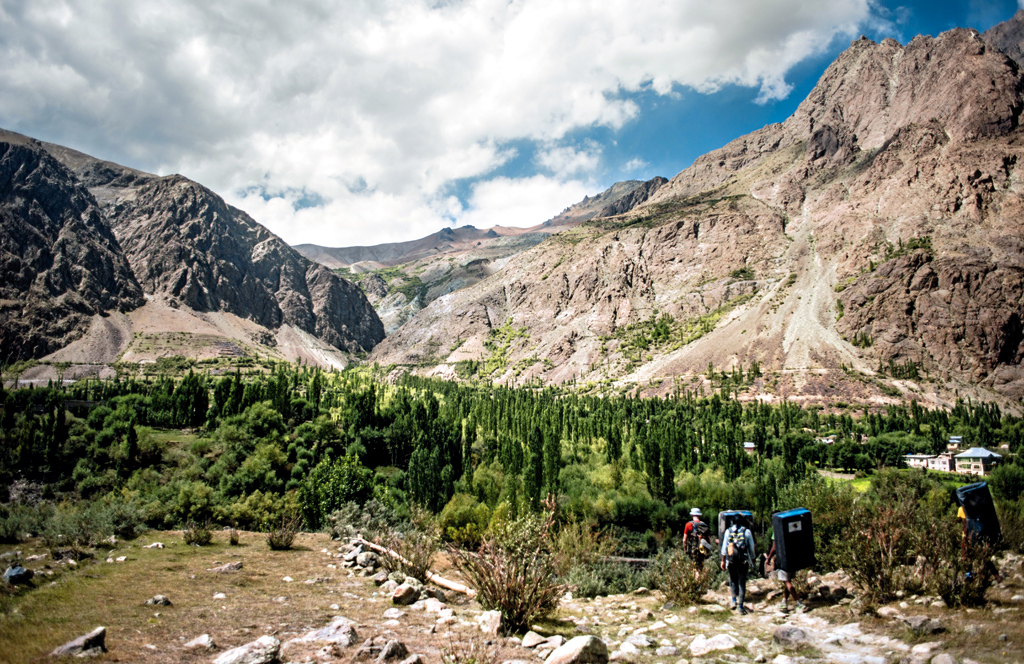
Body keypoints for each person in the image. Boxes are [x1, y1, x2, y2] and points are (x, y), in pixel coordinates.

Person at [720, 514, 755, 614]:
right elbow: (751, 548)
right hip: (743, 561)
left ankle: (733, 601)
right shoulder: (746, 531)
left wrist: (723, 560)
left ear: (733, 522)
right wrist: (752, 560)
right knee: (741, 582)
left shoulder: (728, 531)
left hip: (731, 560)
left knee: (732, 580)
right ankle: (740, 606)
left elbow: (724, 548)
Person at [767, 529, 805, 612]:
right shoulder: (791, 527)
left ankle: (799, 603)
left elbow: (774, 547)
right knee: (788, 580)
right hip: (794, 558)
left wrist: (769, 558)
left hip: (783, 559)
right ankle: (784, 602)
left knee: (786, 582)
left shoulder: (777, 528)